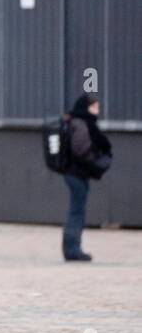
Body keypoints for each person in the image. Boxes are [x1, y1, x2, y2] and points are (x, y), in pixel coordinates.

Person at [62, 92, 112, 262]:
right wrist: (96, 163)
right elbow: (81, 150)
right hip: (77, 173)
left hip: (75, 173)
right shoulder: (81, 124)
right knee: (77, 212)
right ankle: (73, 249)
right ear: (87, 108)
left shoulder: (76, 122)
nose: (97, 111)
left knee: (76, 210)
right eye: (95, 107)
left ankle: (72, 248)